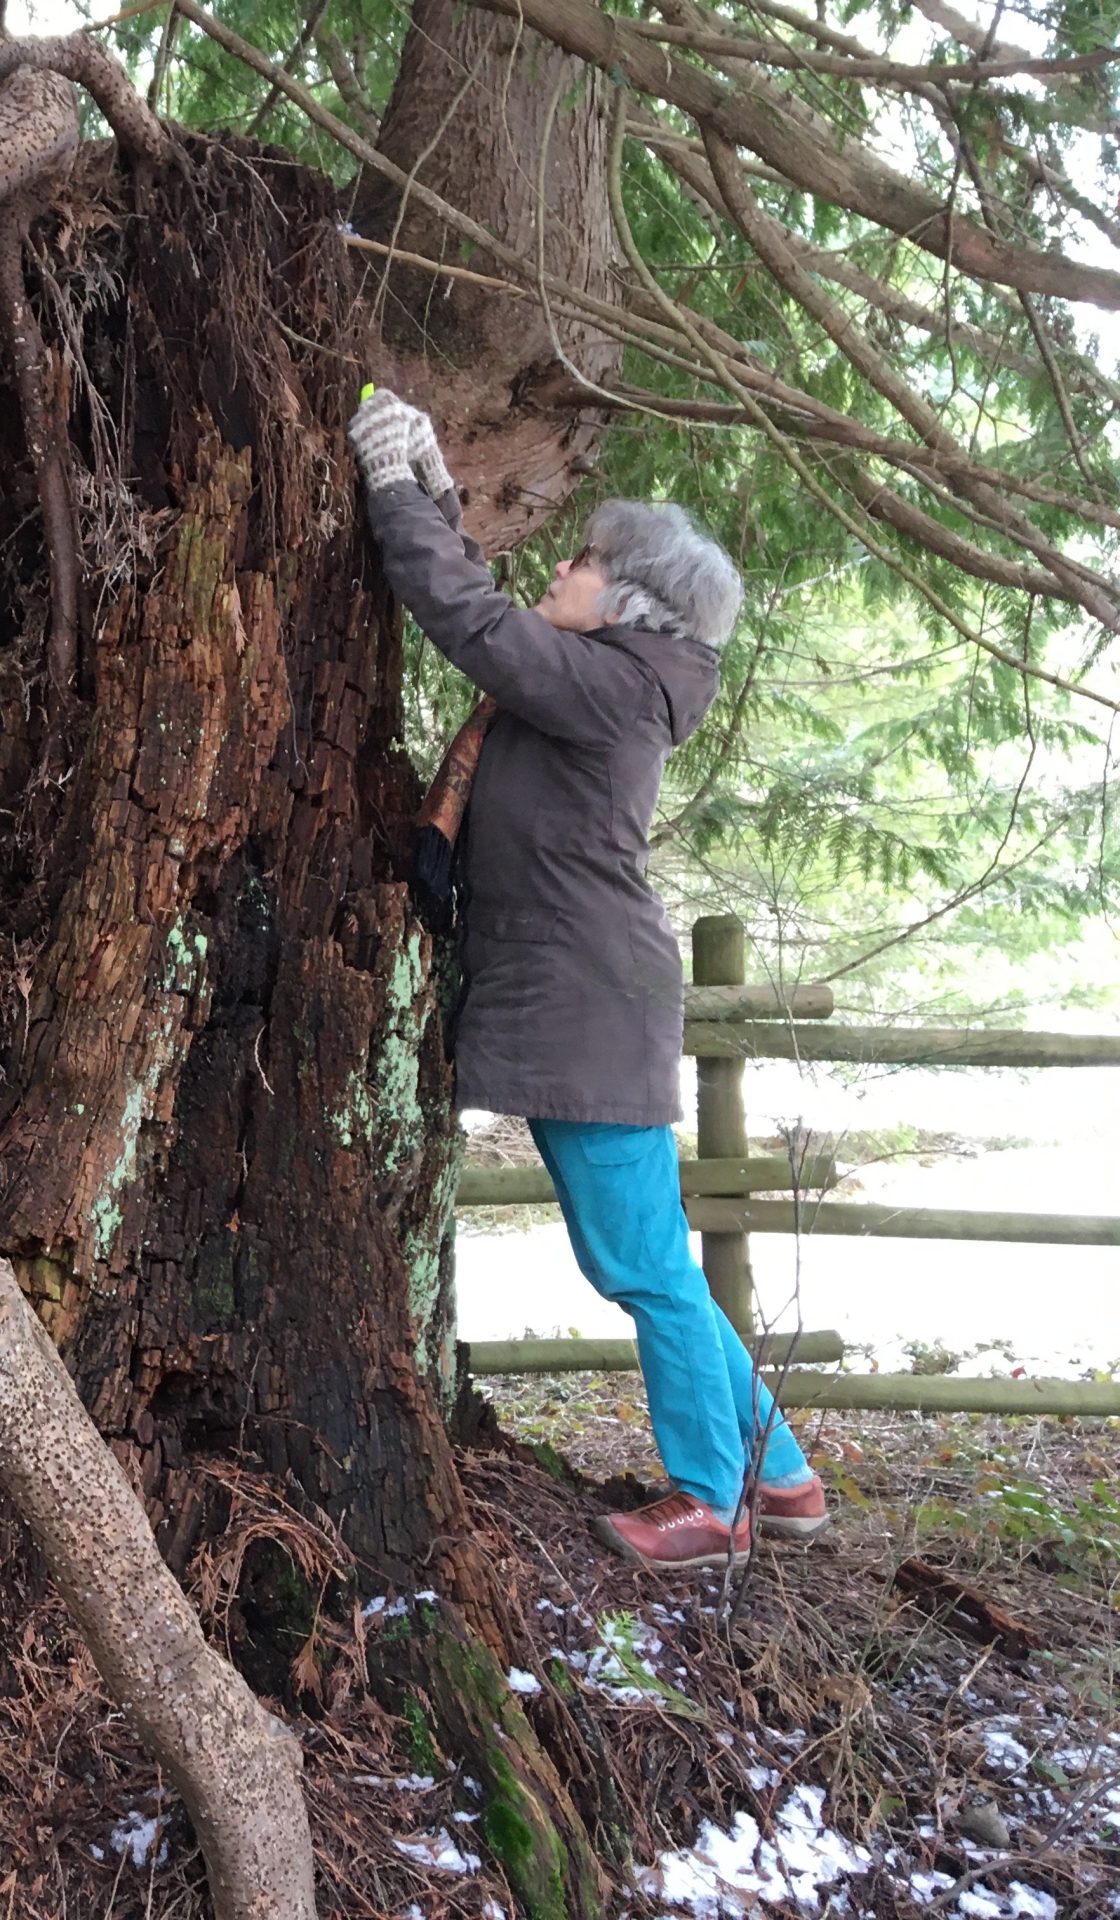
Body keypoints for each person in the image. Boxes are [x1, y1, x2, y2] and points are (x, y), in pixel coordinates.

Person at [345, 386, 827, 1572]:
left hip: (586, 1002)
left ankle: (712, 1502)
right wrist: (436, 493)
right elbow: (496, 617)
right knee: (652, 1256)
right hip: (587, 998)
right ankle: (784, 1477)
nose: (557, 569)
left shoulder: (609, 683)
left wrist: (396, 491)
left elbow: (467, 619)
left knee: (637, 1265)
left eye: (579, 558)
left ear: (625, 597)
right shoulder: (611, 676)